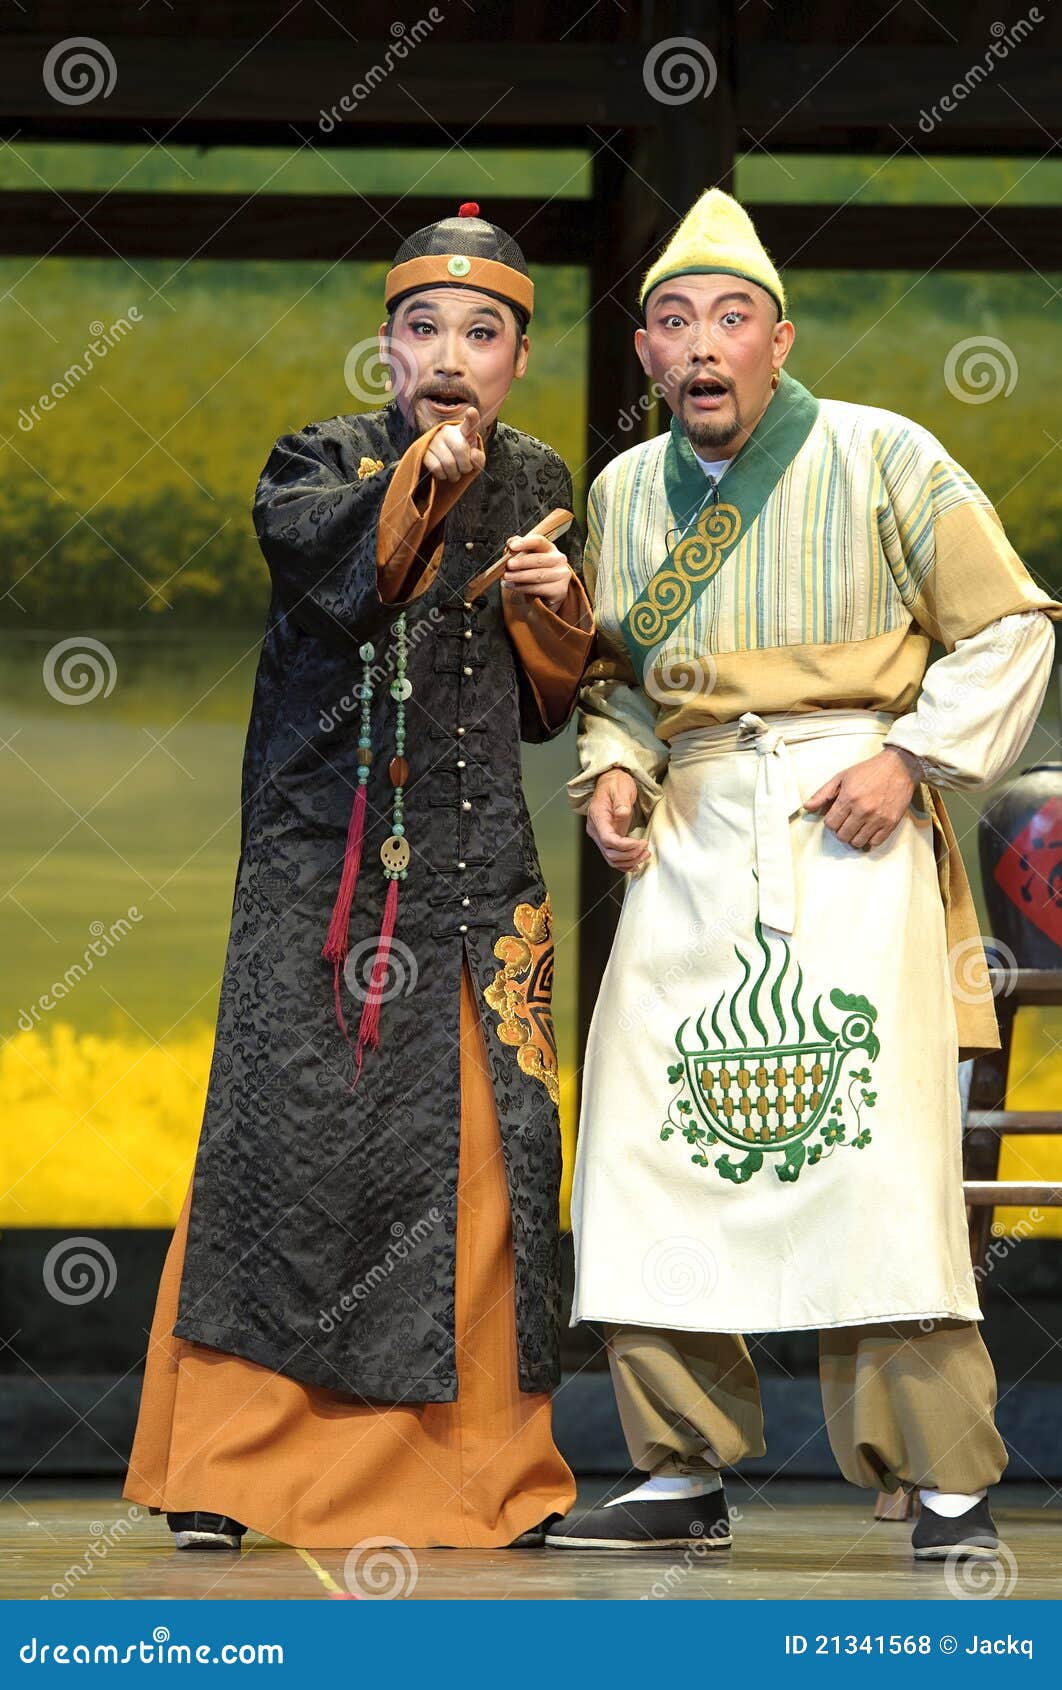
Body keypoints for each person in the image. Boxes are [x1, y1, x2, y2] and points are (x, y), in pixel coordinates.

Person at [545, 187, 1061, 1561]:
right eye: (671, 323)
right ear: (646, 355)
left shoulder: (883, 454)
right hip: (695, 838)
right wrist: (613, 769)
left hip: (855, 820)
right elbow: (622, 688)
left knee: (867, 1150)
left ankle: (941, 1471)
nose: (701, 346)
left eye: (728, 320)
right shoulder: (620, 492)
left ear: (779, 339)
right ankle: (677, 1461)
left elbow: (1007, 627)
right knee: (647, 1142)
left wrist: (917, 761)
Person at [122, 203, 594, 1552]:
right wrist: (429, 477)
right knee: (286, 1153)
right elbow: (337, 580)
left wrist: (554, 601)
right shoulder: (316, 458)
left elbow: (553, 697)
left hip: (472, 873)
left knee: (488, 1161)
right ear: (385, 347)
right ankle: (226, 1468)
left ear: (516, 356)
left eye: (482, 332)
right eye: (423, 327)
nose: (450, 353)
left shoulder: (542, 474)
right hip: (318, 857)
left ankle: (481, 1479)